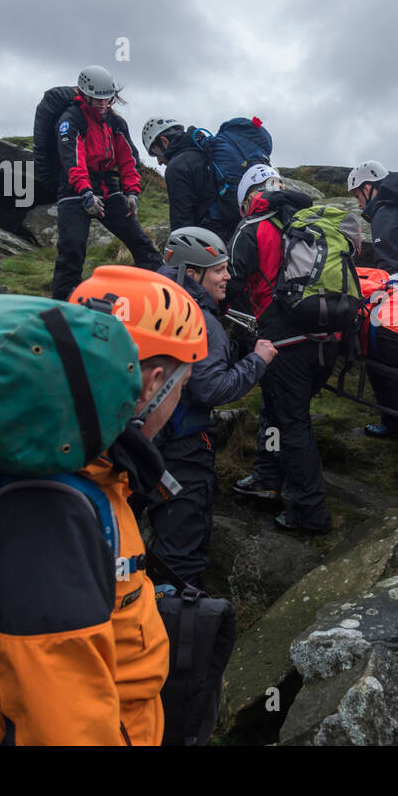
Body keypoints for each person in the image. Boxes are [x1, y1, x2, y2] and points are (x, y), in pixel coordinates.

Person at [0, 265, 207, 745]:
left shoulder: (89, 467)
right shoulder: (46, 515)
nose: (176, 404)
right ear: (153, 384)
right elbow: (65, 728)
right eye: (181, 389)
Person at [142, 227, 277, 586]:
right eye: (219, 269)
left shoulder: (148, 298)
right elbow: (211, 389)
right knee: (183, 551)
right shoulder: (200, 319)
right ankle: (180, 628)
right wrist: (257, 362)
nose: (228, 277)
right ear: (192, 272)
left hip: (136, 443)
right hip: (183, 452)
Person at [228, 165, 337, 533]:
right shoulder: (309, 221)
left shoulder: (254, 225)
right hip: (325, 338)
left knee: (291, 423)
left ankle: (310, 512)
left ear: (248, 198)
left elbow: (231, 282)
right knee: (276, 411)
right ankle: (267, 478)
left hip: (283, 341)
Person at [49, 66, 162, 301]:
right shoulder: (70, 120)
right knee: (72, 250)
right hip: (73, 188)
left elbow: (128, 158)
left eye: (107, 99)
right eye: (97, 99)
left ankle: (158, 293)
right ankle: (63, 305)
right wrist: (85, 193)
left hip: (106, 186)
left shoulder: (115, 122)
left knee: (141, 242)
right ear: (85, 95)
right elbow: (74, 160)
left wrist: (131, 192)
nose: (103, 104)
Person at [348, 160, 398, 438]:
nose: (358, 203)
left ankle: (397, 423)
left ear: (367, 188)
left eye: (357, 196)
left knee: (377, 355)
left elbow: (392, 273)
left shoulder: (385, 213)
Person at [144, 118, 242, 241]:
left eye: (155, 153)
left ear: (164, 141)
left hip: (210, 240)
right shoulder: (205, 150)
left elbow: (181, 223)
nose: (158, 161)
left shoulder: (176, 166)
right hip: (235, 230)